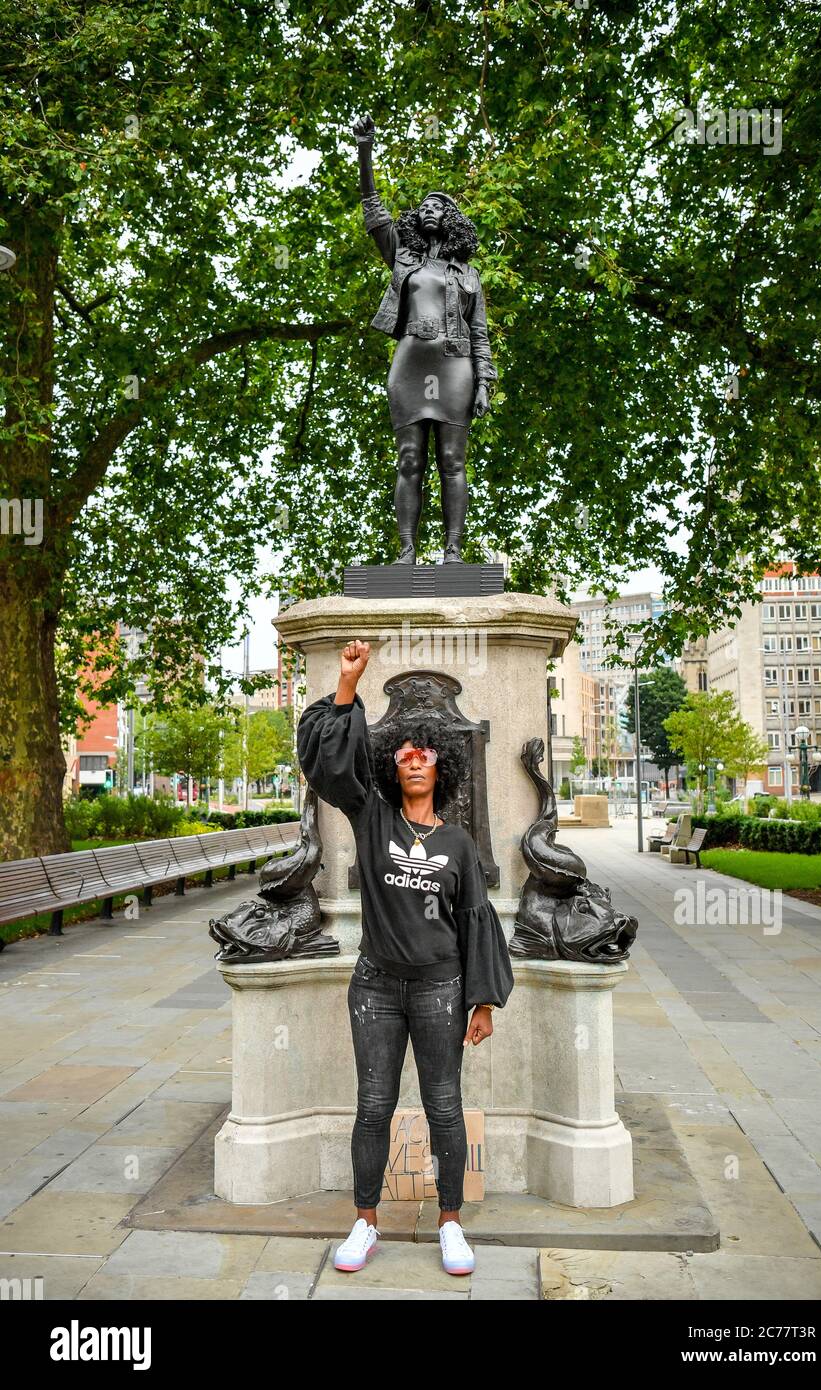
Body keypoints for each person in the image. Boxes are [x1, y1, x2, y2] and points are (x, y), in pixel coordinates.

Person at [296, 640, 514, 1276]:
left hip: (441, 990)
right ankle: (365, 1222)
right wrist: (346, 682)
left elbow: (477, 921)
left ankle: (450, 1224)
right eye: (405, 753)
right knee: (373, 1107)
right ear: (394, 767)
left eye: (425, 754)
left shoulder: (458, 846)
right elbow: (331, 769)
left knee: (444, 1106)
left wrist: (482, 999)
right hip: (376, 988)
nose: (415, 759)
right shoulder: (372, 819)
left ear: (440, 768)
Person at [353, 113, 498, 564]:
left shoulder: (469, 275)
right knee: (408, 460)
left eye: (442, 206)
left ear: (453, 221)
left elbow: (480, 334)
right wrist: (364, 148)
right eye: (426, 206)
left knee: (453, 462)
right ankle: (406, 552)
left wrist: (485, 383)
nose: (432, 209)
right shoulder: (403, 257)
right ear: (418, 218)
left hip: (455, 366)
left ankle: (453, 551)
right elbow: (373, 207)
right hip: (411, 362)